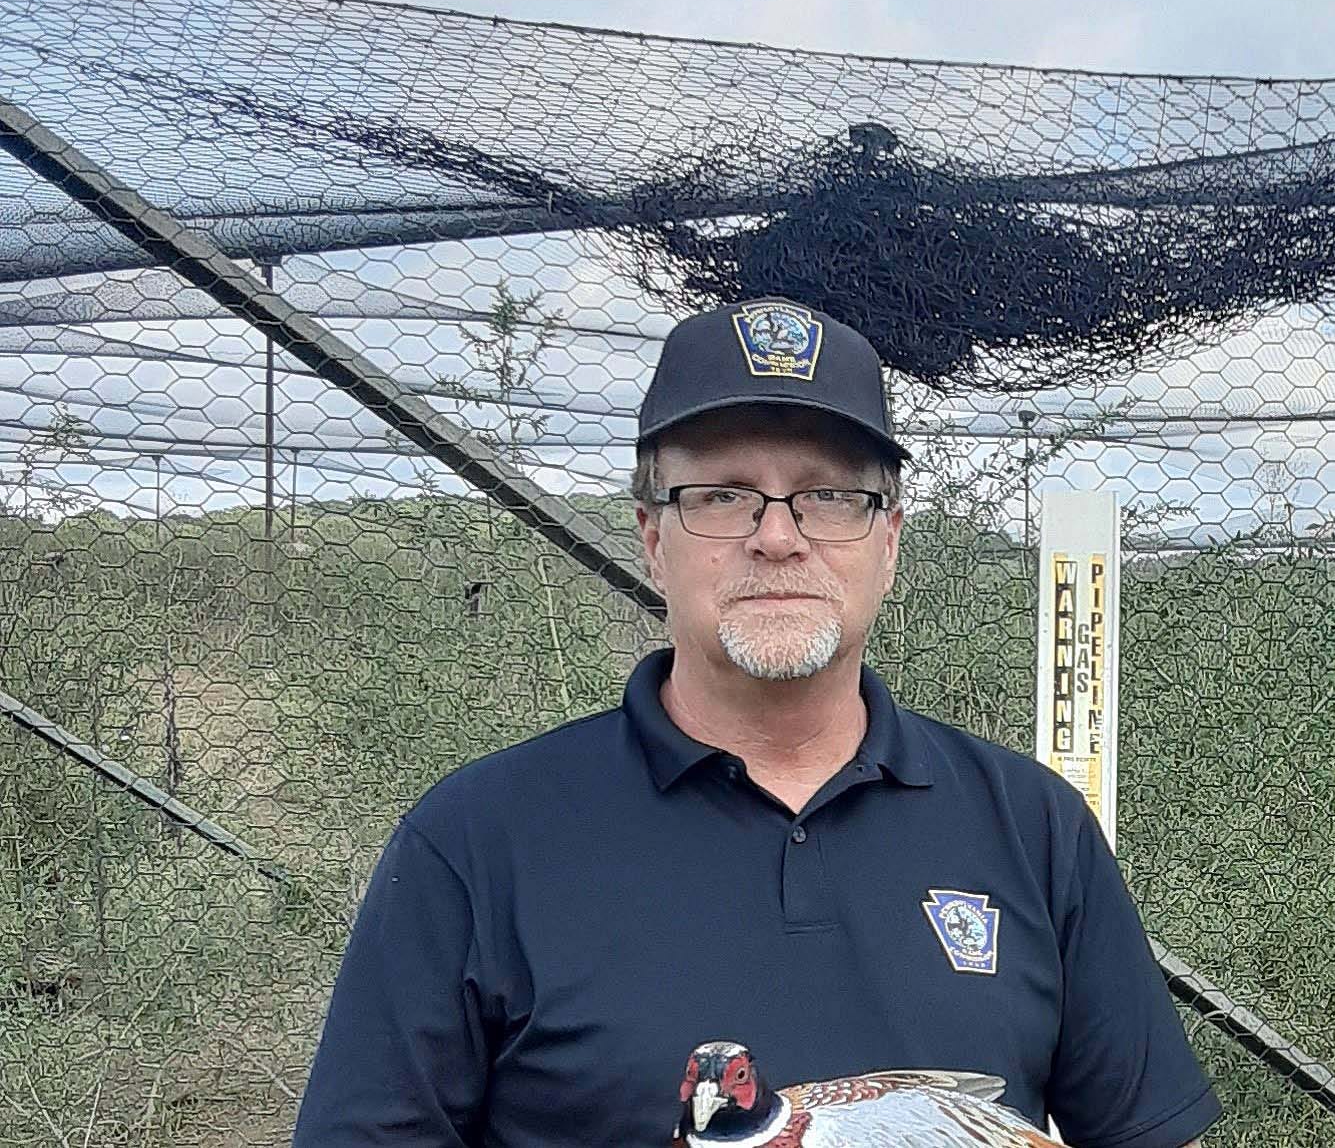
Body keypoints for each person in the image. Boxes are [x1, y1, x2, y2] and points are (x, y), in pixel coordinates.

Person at [294, 297, 1218, 1148]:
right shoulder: (477, 840)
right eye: (723, 494)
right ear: (654, 536)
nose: (777, 535)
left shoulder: (1034, 826)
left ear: (887, 540)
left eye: (829, 494)